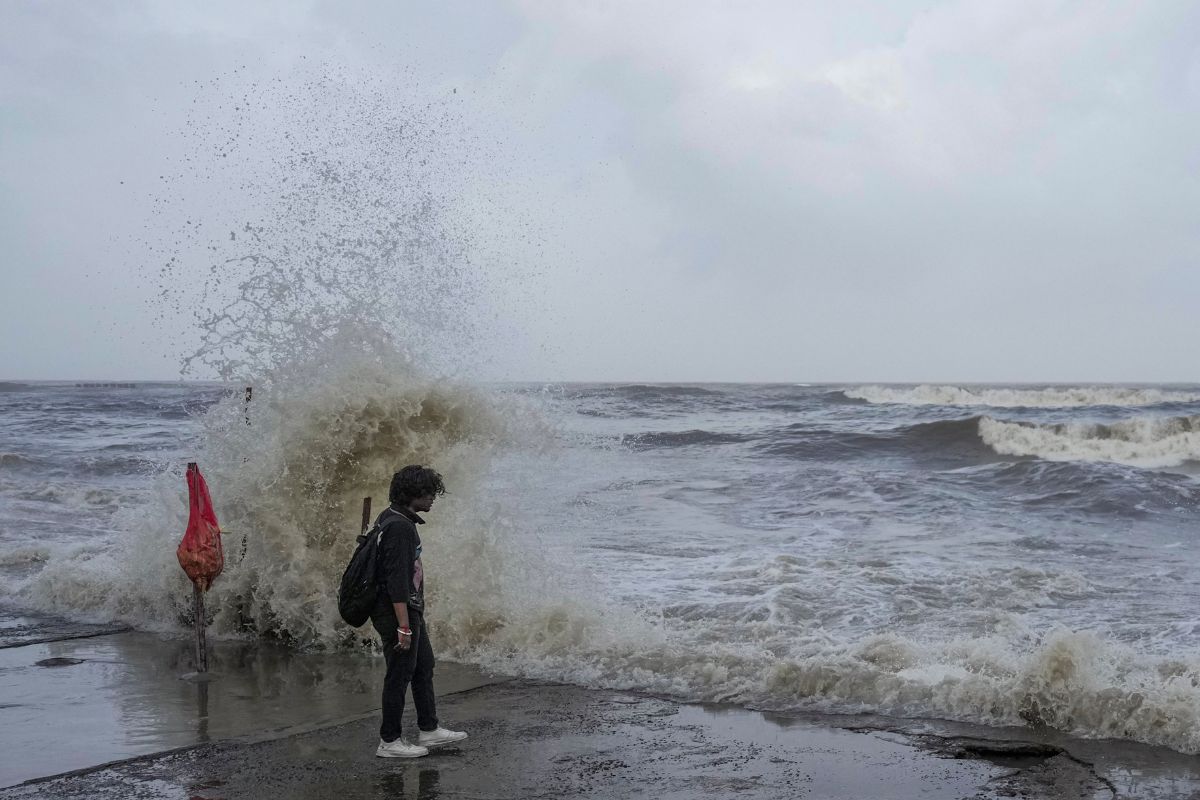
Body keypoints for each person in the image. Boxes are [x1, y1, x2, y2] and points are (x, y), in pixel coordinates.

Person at [371, 464, 468, 758]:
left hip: (409, 608)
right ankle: (389, 741)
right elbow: (396, 582)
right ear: (412, 494)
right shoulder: (400, 527)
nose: (432, 498)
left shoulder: (393, 517)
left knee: (423, 666)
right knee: (399, 673)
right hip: (397, 610)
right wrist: (403, 625)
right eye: (428, 493)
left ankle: (429, 729)